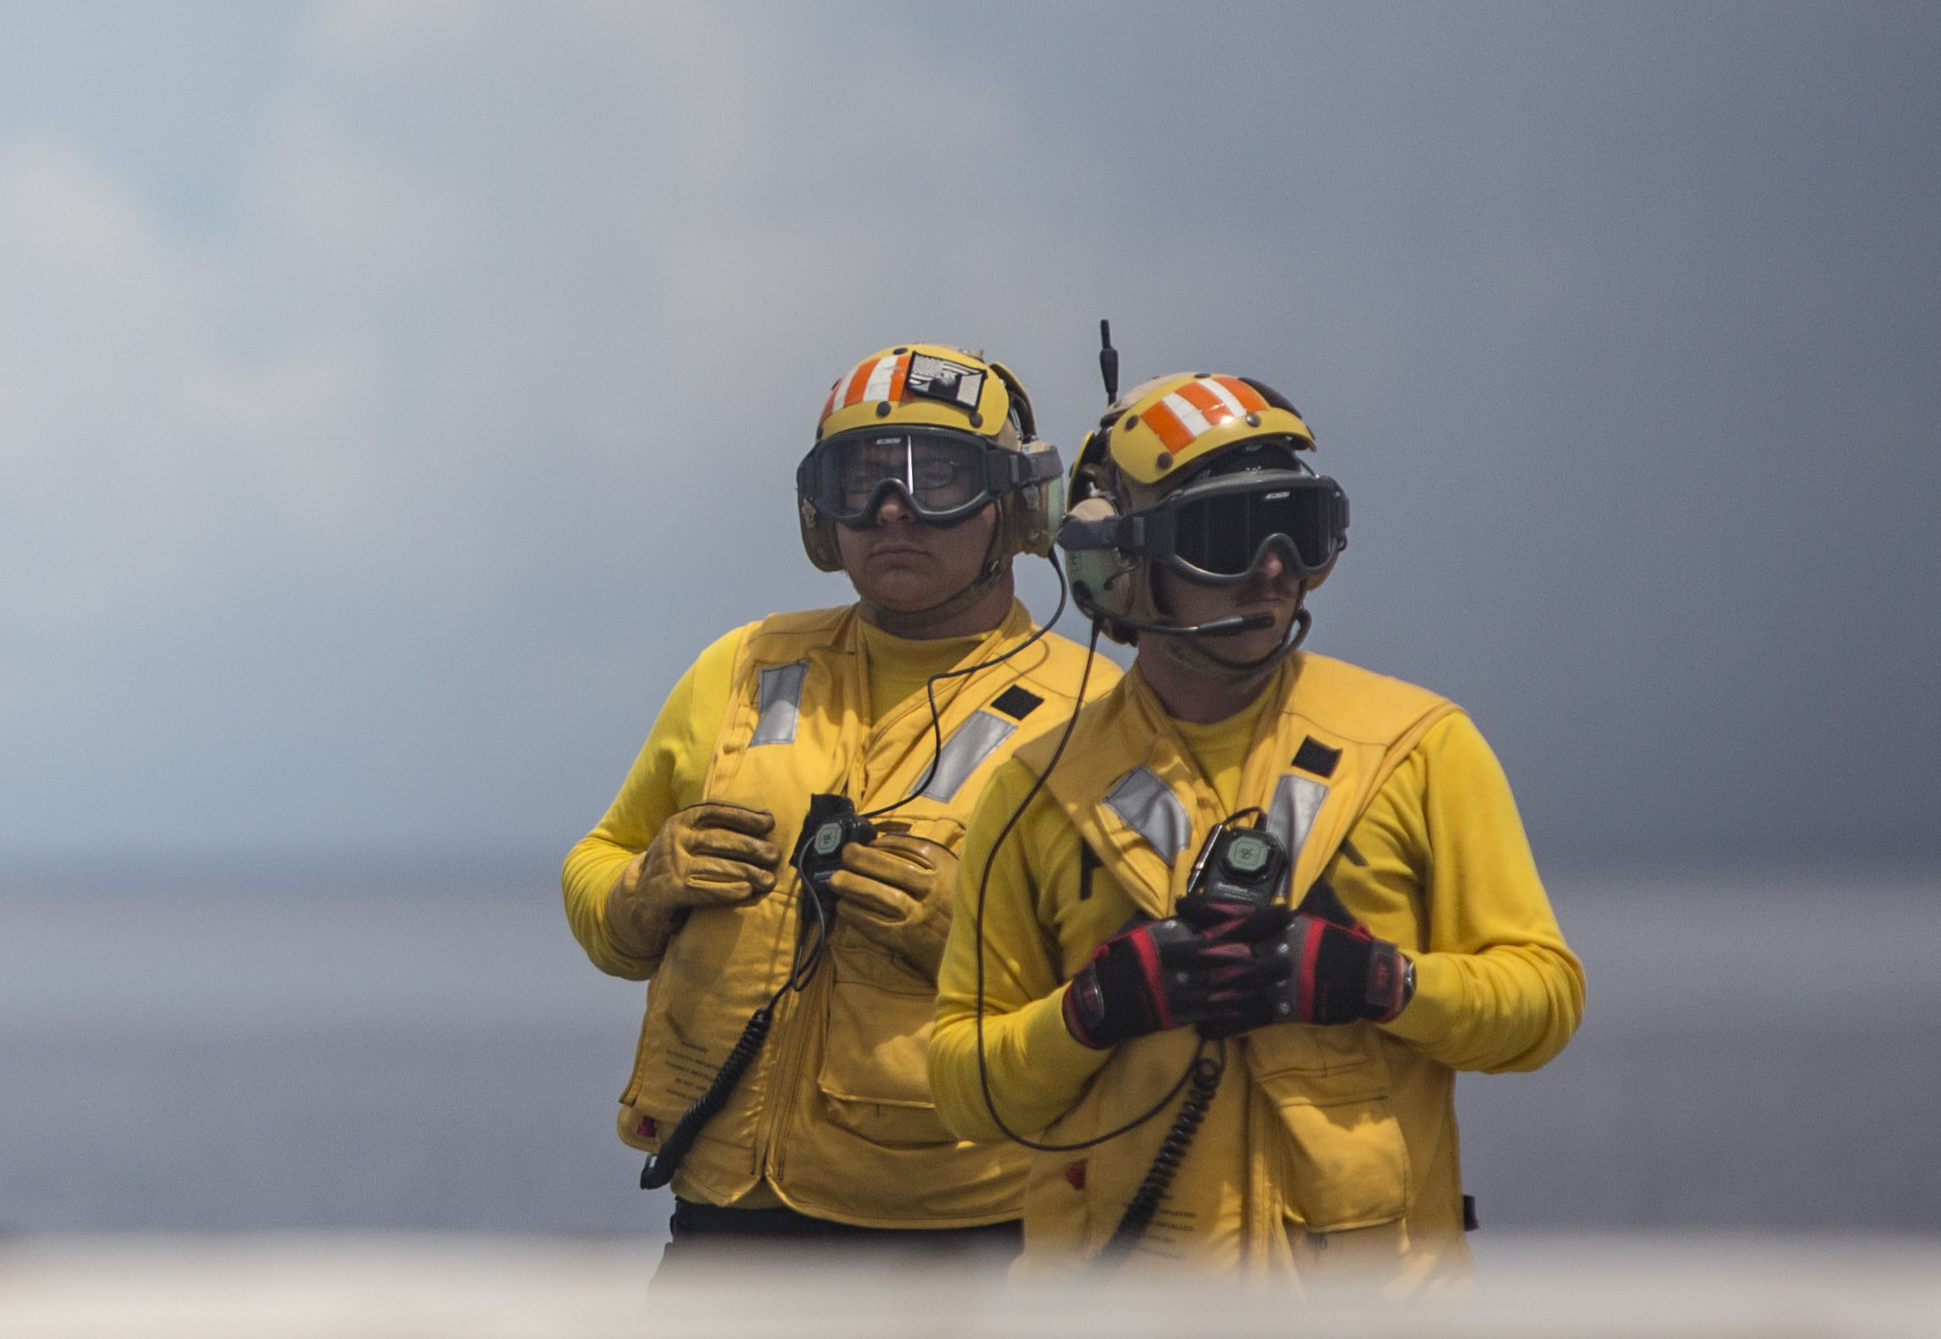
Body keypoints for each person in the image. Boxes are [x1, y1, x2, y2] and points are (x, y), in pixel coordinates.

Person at [927, 366, 1583, 1286]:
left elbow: (1543, 1002)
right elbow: (964, 1085)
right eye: (1231, 535)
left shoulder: (1419, 746)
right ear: (1120, 560)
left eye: (1299, 529)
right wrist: (1091, 1012)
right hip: (1122, 1335)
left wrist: (1384, 982)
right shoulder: (1035, 792)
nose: (1275, 566)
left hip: (1371, 1331)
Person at [565, 345, 1112, 1267]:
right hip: (721, 1220)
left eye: (935, 476)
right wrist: (639, 891)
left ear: (1016, 506)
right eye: (859, 480)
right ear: (822, 515)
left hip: (961, 1242)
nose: (892, 509)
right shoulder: (740, 666)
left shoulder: (1095, 714)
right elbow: (602, 856)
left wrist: (974, 941)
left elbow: (1139, 986)